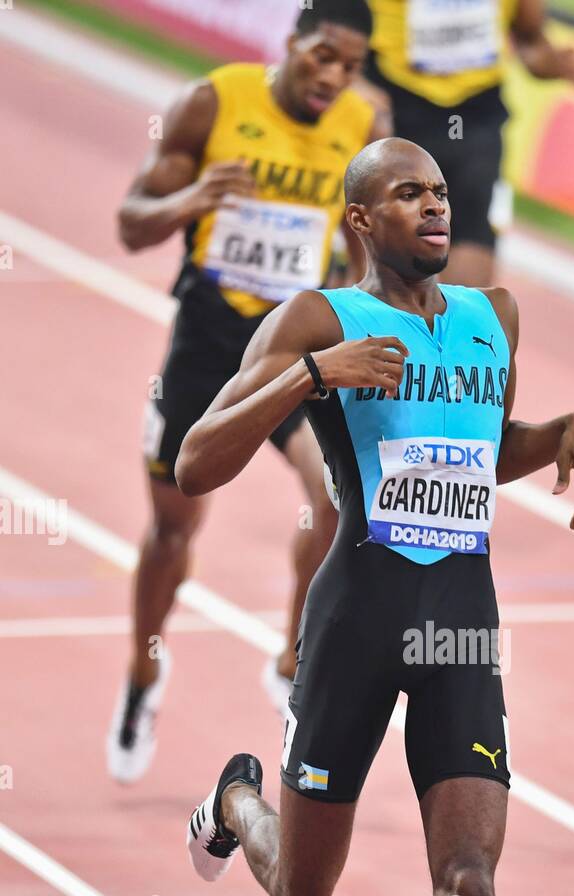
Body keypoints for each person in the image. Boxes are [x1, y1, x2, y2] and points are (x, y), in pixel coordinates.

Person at [175, 137, 574, 896]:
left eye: (440, 191)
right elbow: (196, 459)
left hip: (461, 621)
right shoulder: (316, 321)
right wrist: (309, 378)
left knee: (469, 888)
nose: (433, 204)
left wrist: (562, 432)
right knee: (305, 892)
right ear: (360, 219)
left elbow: (479, 446)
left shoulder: (490, 315)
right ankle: (236, 803)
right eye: (407, 192)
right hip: (359, 619)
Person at [107, 0, 389, 783]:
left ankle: (292, 656)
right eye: (322, 56)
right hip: (206, 348)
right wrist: (187, 202)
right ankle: (142, 673)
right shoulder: (215, 101)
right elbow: (132, 223)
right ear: (292, 41)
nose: (332, 77)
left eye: (349, 65)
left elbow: (373, 244)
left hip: (292, 350)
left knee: (335, 497)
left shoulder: (364, 127)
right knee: (172, 530)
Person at [365, 0, 574, 286]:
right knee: (382, 235)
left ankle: (459, 329)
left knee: (470, 234)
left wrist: (558, 64)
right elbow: (335, 24)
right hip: (392, 106)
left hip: (474, 115)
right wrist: (356, 84)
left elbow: (530, 42)